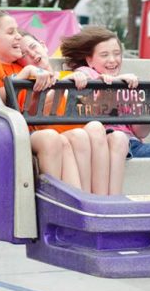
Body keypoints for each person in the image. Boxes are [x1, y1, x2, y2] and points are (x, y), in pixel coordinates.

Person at [60, 26, 150, 194]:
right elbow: (82, 99)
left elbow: (140, 132)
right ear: (89, 60)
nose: (112, 60)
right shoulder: (86, 74)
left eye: (117, 54)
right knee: (119, 138)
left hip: (133, 145)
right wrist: (114, 83)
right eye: (104, 55)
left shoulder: (126, 83)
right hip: (104, 144)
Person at [0, 11, 89, 191]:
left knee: (69, 139)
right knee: (50, 138)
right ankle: (52, 199)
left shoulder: (19, 65)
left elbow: (32, 105)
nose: (18, 36)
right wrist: (22, 77)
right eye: (10, 32)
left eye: (17, 31)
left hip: (26, 127)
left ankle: (78, 199)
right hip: (4, 132)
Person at [18, 31, 110, 195]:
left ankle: (101, 199)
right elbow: (31, 114)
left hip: (83, 132)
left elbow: (93, 109)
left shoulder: (72, 75)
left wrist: (81, 84)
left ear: (43, 46)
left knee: (96, 126)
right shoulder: (29, 85)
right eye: (24, 54)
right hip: (63, 136)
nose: (32, 54)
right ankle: (87, 198)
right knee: (79, 136)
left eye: (33, 47)